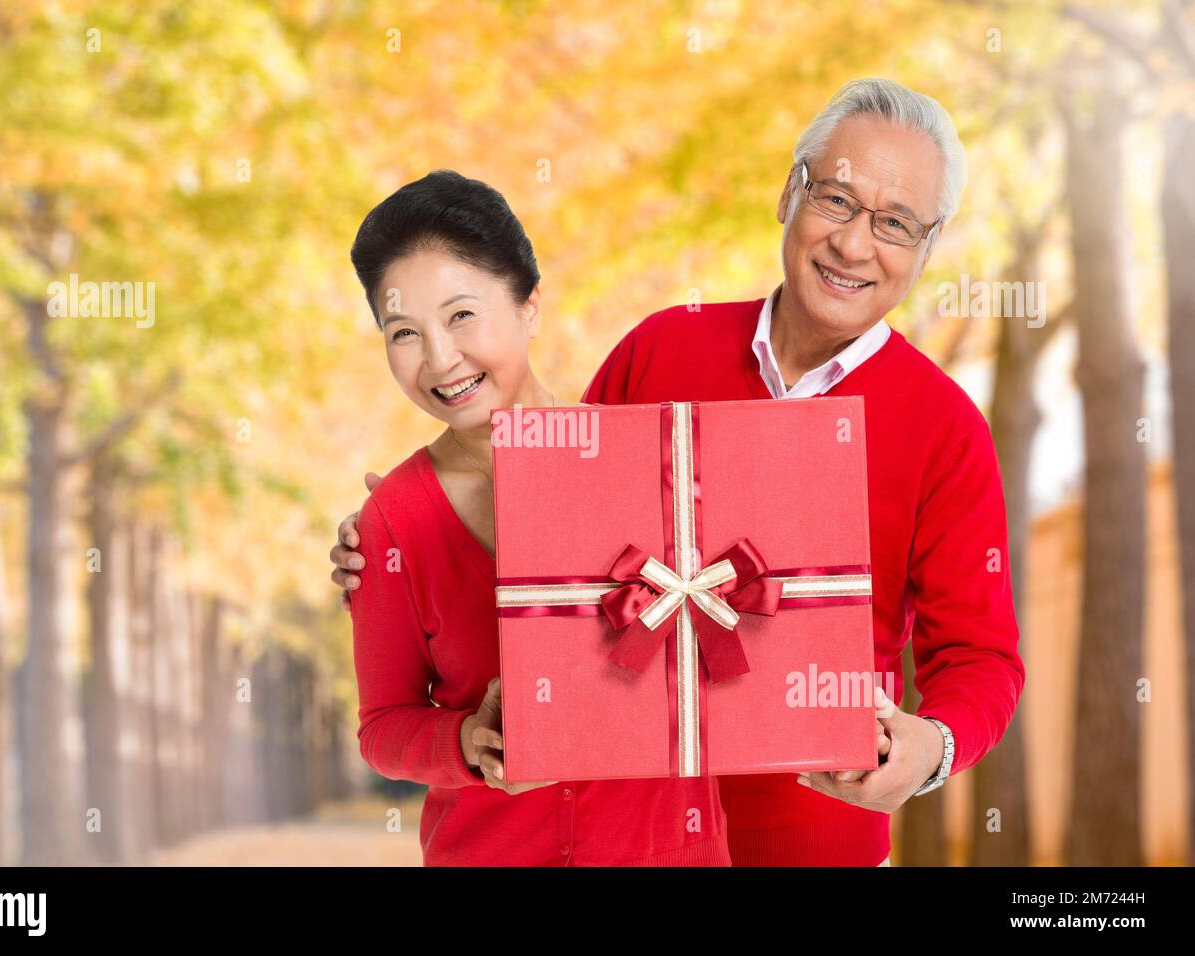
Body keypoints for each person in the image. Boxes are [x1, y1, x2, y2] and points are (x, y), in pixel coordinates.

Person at [333, 79, 1026, 867]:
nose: (855, 244)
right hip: (637, 840)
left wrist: (930, 747)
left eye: (896, 223)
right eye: (836, 199)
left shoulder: (946, 429)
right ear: (788, 192)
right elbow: (554, 539)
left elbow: (980, 657)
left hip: (820, 838)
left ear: (928, 247)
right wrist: (390, 538)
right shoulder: (661, 351)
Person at [345, 169, 743, 865]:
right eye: (404, 332)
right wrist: (466, 742)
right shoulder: (393, 520)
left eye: (462, 315)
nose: (441, 359)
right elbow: (383, 727)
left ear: (529, 307)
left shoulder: (659, 467)